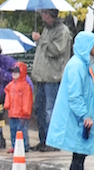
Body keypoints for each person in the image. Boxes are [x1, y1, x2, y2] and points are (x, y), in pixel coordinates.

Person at [46, 30, 94, 170]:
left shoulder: (84, 64)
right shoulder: (77, 66)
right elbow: (75, 94)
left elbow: (90, 89)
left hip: (81, 116)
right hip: (78, 118)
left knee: (79, 152)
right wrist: (85, 115)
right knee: (79, 152)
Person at [30, 8, 74, 150]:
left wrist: (40, 40)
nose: (43, 17)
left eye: (45, 14)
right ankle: (44, 140)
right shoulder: (47, 29)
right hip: (42, 77)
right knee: (40, 109)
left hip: (53, 77)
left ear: (51, 15)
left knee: (51, 111)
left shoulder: (62, 31)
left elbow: (56, 50)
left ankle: (54, 142)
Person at [3, 61, 34, 153]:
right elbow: (7, 95)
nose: (14, 74)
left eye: (16, 72)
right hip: (12, 114)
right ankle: (14, 146)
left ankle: (24, 146)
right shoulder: (10, 85)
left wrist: (26, 111)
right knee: (13, 131)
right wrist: (7, 105)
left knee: (21, 131)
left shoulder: (25, 86)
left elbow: (27, 99)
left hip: (22, 115)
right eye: (13, 72)